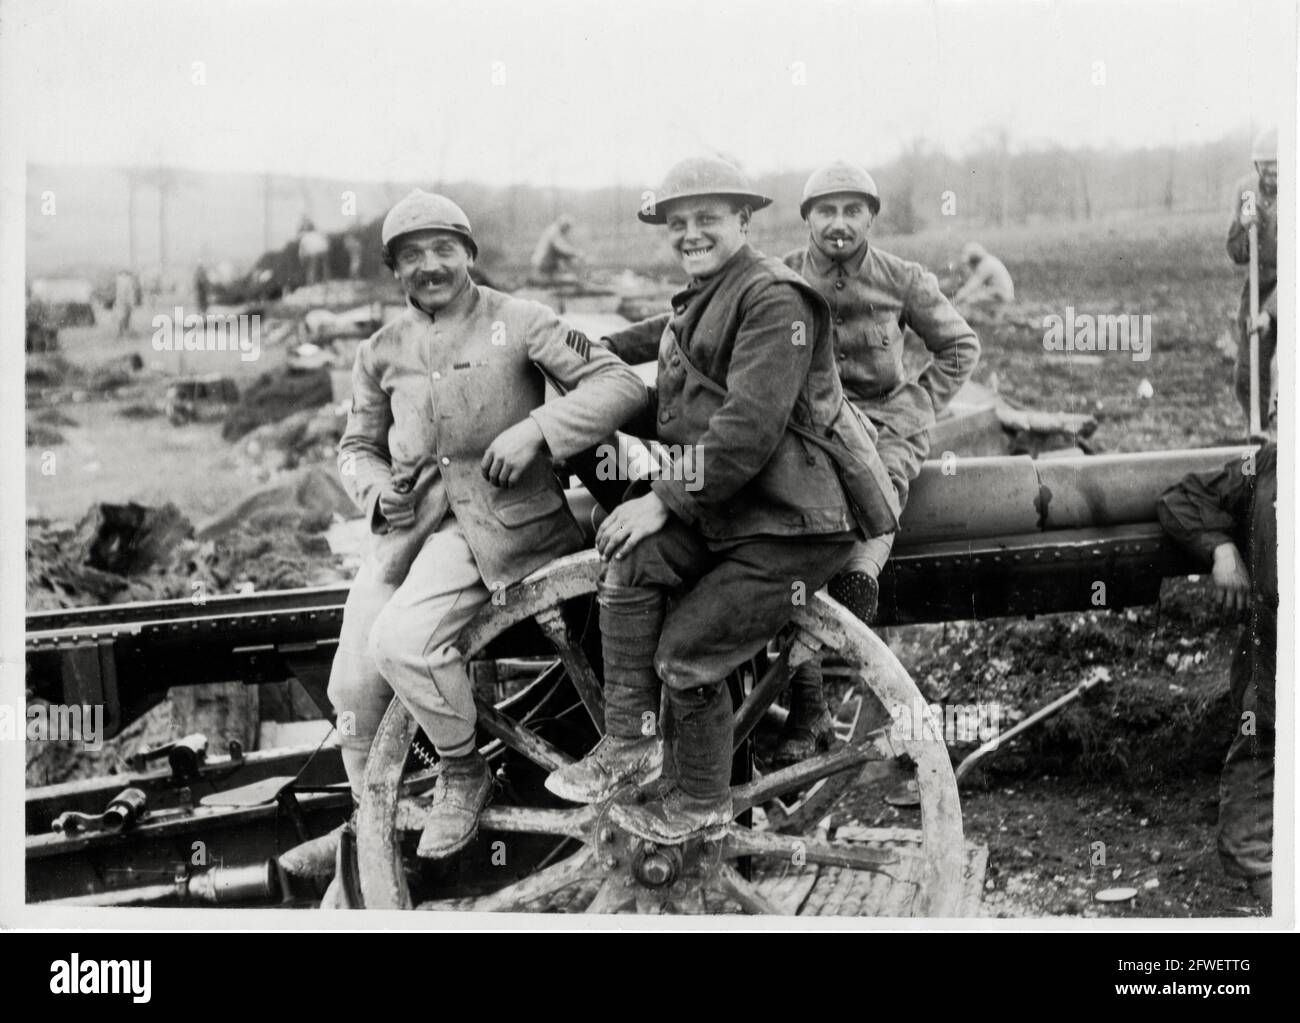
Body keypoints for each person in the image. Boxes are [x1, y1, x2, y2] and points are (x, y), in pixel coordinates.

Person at [281, 190, 646, 890]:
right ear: (395, 271)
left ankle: (462, 770)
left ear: (469, 253)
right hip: (406, 536)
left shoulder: (522, 320)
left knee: (401, 642)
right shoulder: (379, 351)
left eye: (443, 248)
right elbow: (355, 447)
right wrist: (375, 485)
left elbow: (618, 383)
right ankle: (376, 854)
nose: (430, 265)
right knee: (353, 692)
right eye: (411, 256)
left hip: (500, 531)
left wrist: (539, 429)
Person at [543, 156, 899, 842]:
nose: (691, 234)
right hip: (734, 509)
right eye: (679, 223)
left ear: (743, 220)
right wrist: (573, 404)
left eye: (707, 219)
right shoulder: (702, 297)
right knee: (632, 553)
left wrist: (662, 497)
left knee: (686, 649)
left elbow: (745, 431)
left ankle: (704, 801)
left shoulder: (774, 299)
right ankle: (631, 744)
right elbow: (677, 410)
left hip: (791, 524)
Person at [775, 161, 979, 764]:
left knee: (880, 492)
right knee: (785, 528)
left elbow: (960, 345)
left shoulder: (903, 278)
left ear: (871, 217)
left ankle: (860, 584)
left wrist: (917, 405)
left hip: (887, 420)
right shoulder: (780, 276)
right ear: (808, 218)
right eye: (826, 212)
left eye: (852, 211)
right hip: (810, 424)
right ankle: (808, 705)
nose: (839, 225)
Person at [1156, 441, 1277, 911]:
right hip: (1276, 646)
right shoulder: (1270, 461)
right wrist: (1222, 549)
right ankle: (1259, 875)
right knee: (1264, 735)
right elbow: (1182, 499)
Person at [1227, 127, 1278, 431]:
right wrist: (1245, 229)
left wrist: (1270, 313)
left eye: (1278, 169)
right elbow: (1236, 252)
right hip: (1259, 285)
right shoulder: (1248, 191)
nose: (1271, 177)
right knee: (1246, 374)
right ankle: (1257, 434)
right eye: (1266, 169)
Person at [952, 241, 1014, 321]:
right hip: (1001, 293)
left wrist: (956, 300)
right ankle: (994, 316)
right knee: (973, 297)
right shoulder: (988, 261)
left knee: (970, 300)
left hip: (1001, 294)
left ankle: (989, 317)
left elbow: (971, 286)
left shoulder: (985, 266)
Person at [530, 214, 583, 283]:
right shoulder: (553, 232)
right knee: (570, 279)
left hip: (544, 265)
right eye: (567, 227)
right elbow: (562, 249)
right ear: (564, 225)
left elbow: (562, 254)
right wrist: (576, 253)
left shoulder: (554, 230)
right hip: (543, 266)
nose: (567, 231)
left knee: (569, 276)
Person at [298, 217, 331, 286]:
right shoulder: (319, 233)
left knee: (311, 267)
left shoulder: (305, 236)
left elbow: (302, 251)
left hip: (314, 252)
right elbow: (327, 241)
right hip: (324, 250)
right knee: (325, 266)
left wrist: (302, 260)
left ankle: (311, 283)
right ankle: (326, 280)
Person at [114, 269, 137, 337]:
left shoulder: (120, 280)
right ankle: (123, 331)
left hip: (121, 301)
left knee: (123, 316)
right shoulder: (127, 280)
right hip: (125, 301)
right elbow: (128, 292)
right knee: (125, 316)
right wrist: (130, 302)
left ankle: (122, 331)